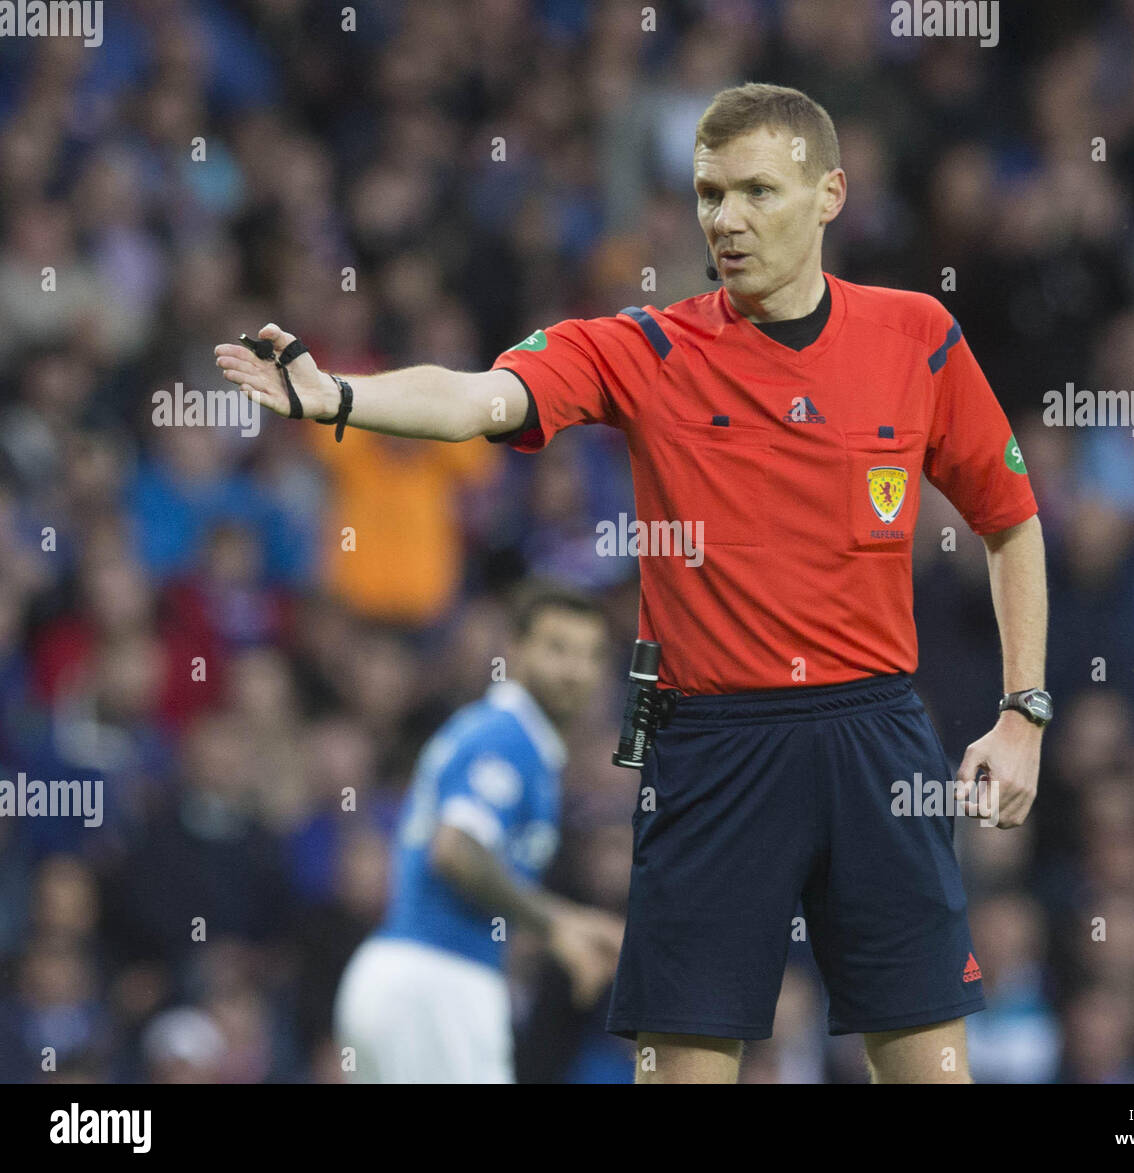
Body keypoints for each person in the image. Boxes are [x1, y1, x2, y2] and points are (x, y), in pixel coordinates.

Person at [217, 83, 1050, 1085]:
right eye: (707, 194)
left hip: (873, 738)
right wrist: (339, 396)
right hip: (713, 749)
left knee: (928, 1068)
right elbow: (481, 396)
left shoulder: (915, 335)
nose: (725, 220)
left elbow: (1009, 520)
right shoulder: (646, 348)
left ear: (829, 194)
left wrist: (1022, 711)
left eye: (755, 191)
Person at [332, 582, 623, 1082]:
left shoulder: (511, 740)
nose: (575, 670)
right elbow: (456, 850)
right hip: (438, 983)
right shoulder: (508, 738)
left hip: (411, 983)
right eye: (557, 649)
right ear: (514, 650)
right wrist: (558, 925)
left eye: (590, 655)